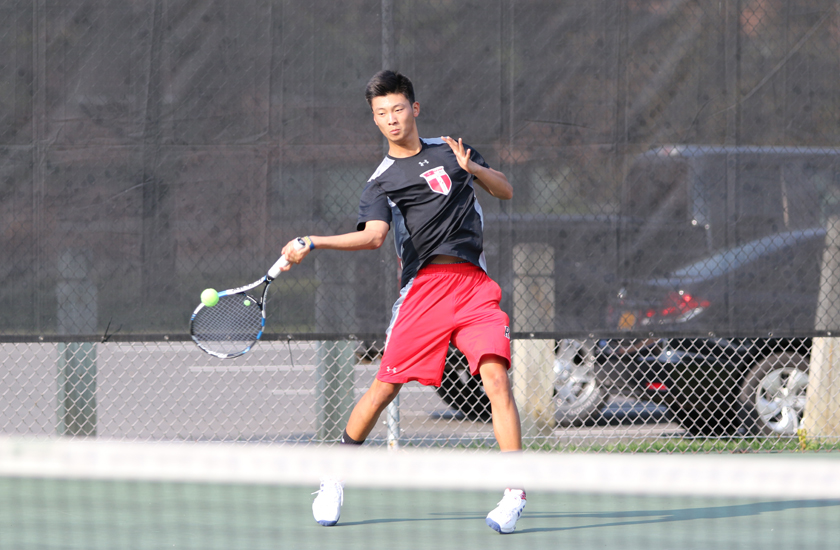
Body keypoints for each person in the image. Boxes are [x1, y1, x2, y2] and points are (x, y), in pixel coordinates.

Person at [279, 70, 526, 534]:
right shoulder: (380, 183)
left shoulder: (453, 150)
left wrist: (471, 168)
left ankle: (515, 493)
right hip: (424, 291)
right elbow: (373, 238)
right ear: (374, 120)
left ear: (415, 108)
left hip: (473, 284)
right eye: (380, 114)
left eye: (397, 109)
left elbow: (505, 189)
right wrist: (313, 241)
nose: (391, 120)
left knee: (496, 378)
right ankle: (334, 476)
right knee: (384, 388)